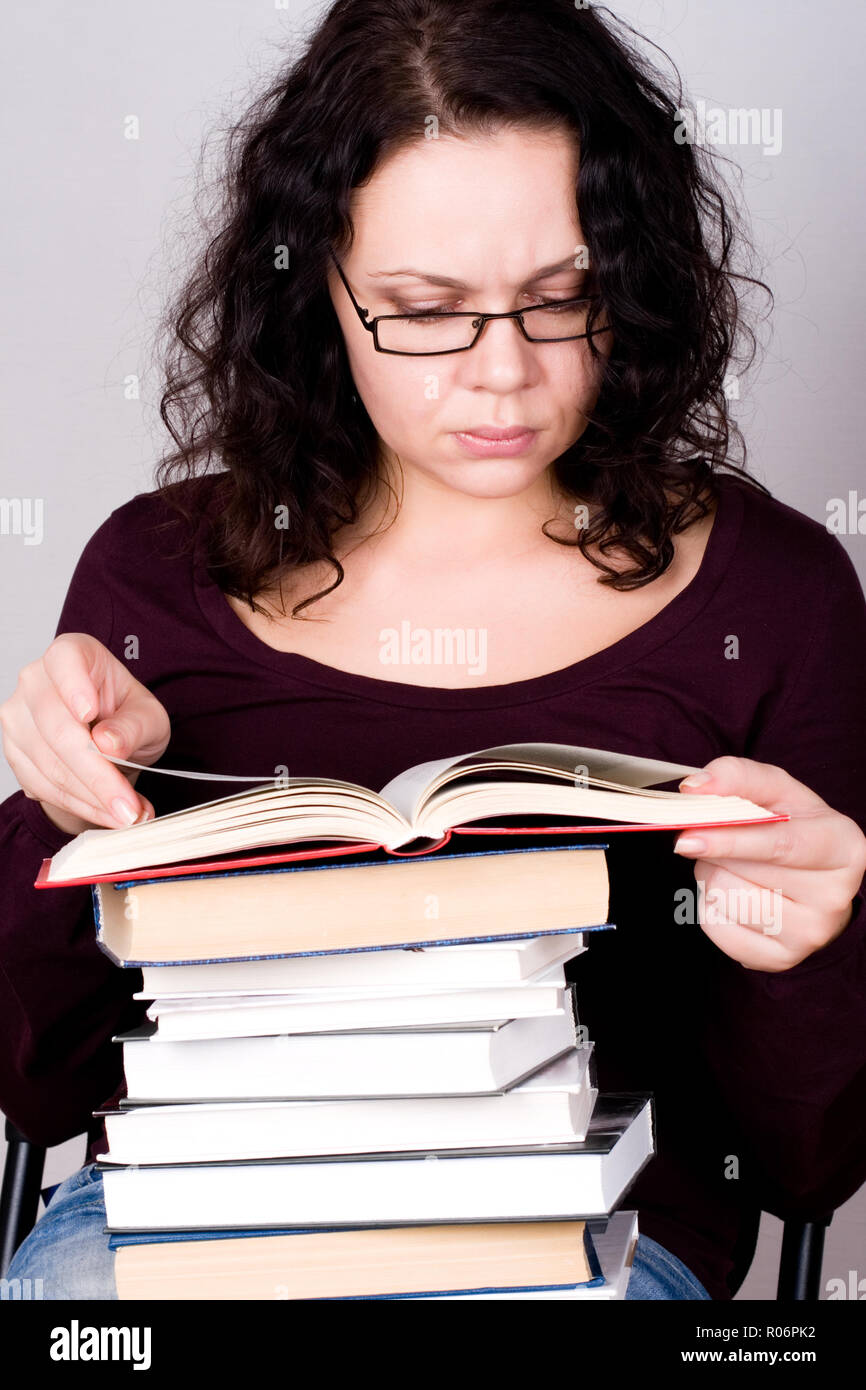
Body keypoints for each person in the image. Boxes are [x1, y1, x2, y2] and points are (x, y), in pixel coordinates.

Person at [2, 0, 865, 1302]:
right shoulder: (154, 574)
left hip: (583, 1248)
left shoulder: (783, 591)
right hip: (183, 1231)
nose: (502, 372)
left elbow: (803, 1166)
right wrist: (58, 821)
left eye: (562, 297)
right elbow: (37, 1076)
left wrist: (807, 947)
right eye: (423, 308)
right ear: (316, 289)